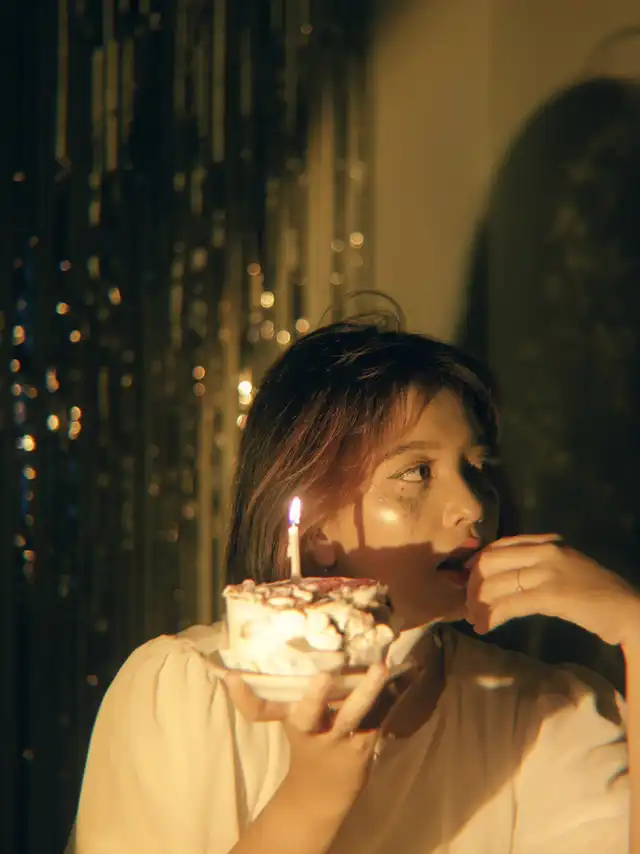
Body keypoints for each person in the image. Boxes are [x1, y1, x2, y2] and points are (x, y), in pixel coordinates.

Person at [68, 321, 640, 854]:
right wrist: (314, 794)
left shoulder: (544, 712)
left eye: (478, 468)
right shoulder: (188, 693)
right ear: (316, 530)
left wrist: (636, 631)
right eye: (416, 472)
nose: (471, 506)